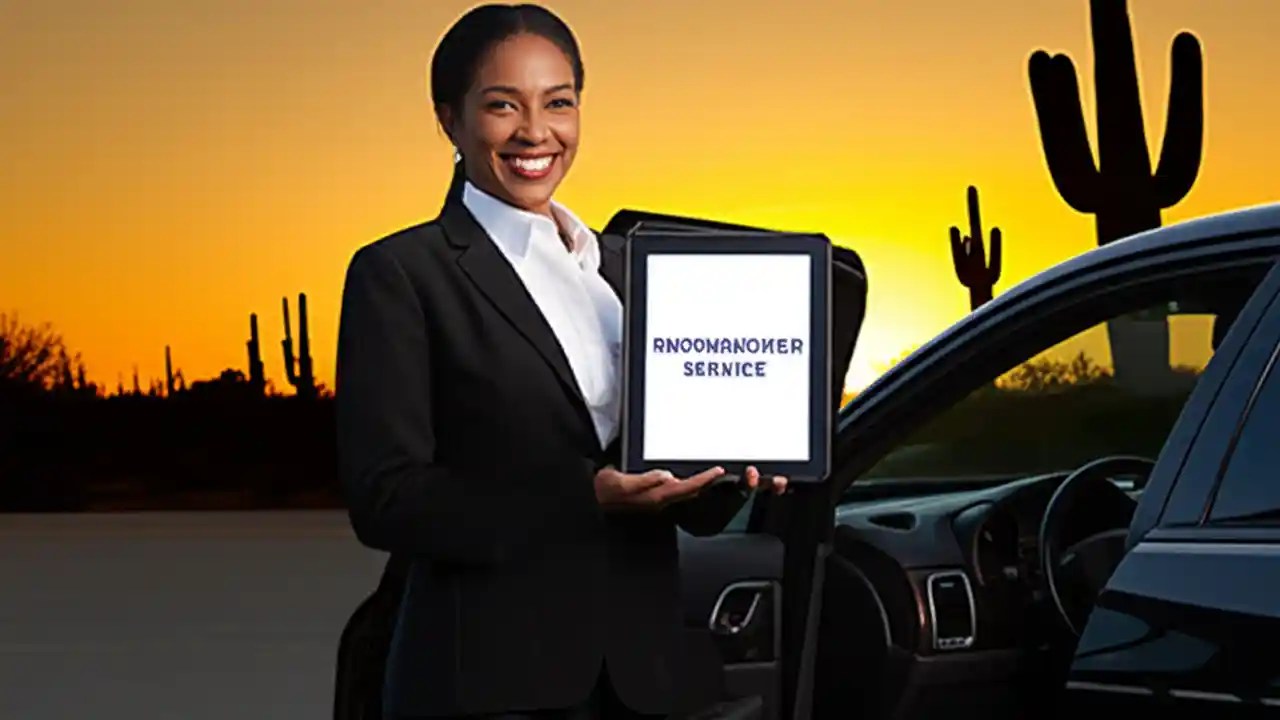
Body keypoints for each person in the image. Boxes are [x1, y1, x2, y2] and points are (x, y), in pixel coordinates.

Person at [333, 4, 788, 720]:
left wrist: (725, 476)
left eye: (559, 103)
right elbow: (386, 499)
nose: (535, 132)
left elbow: (663, 483)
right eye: (502, 106)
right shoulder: (402, 273)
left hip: (642, 681)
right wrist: (586, 494)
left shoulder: (628, 269)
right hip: (489, 683)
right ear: (449, 119)